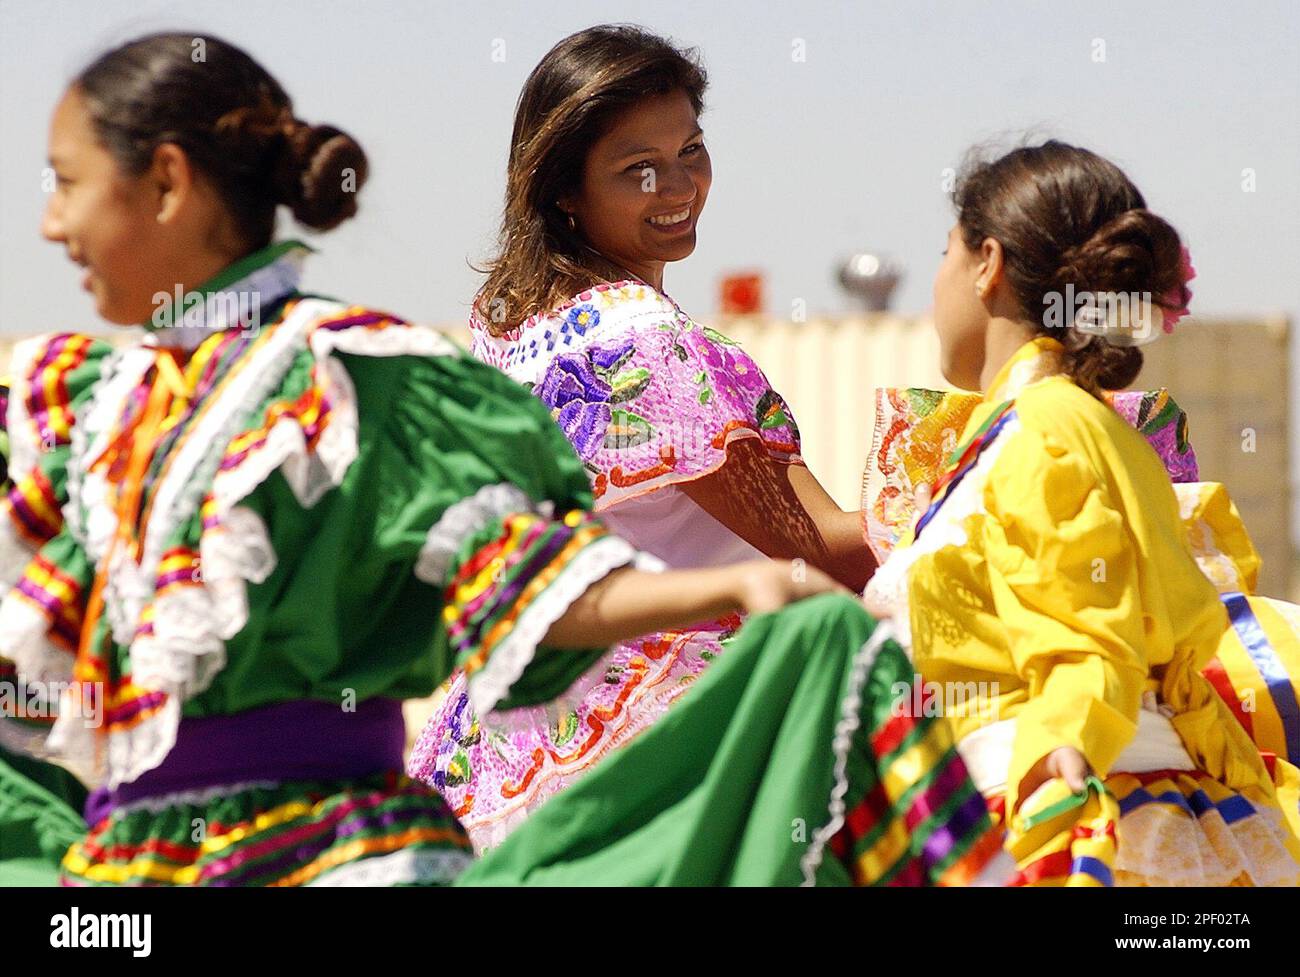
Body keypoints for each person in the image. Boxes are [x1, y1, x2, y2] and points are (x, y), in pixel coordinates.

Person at [0, 31, 847, 886]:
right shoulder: (80, 402)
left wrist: (738, 586)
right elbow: (796, 540)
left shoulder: (363, 375)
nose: (50, 222)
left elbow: (528, 584)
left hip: (329, 852)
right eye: (640, 166)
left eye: (66, 183)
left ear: (169, 182)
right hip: (134, 866)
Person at [410, 24, 877, 851]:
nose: (679, 185)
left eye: (691, 150)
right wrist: (986, 495)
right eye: (638, 169)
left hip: (505, 747)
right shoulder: (643, 339)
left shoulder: (515, 325)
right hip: (643, 745)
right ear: (565, 191)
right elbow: (814, 550)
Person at [861, 140, 1300, 885]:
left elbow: (1086, 628)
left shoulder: (1047, 428)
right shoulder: (1061, 427)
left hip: (1061, 816)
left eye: (945, 254)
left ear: (987, 264)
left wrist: (1061, 747)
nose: (934, 285)